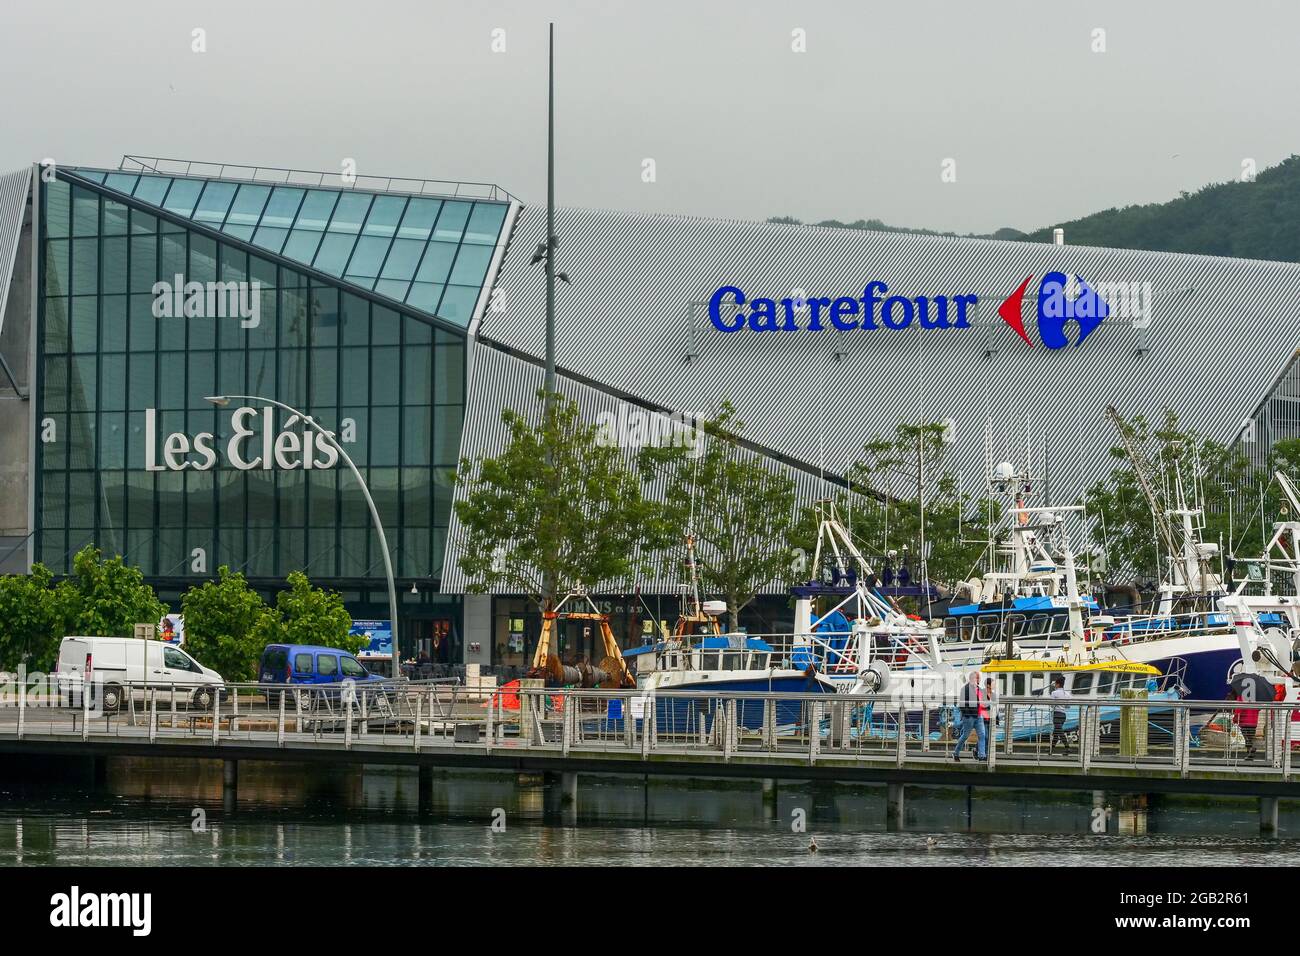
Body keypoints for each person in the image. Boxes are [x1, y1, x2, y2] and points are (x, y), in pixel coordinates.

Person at [953, 671, 986, 761]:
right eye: (977, 678)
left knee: (982, 735)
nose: (979, 679)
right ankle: (956, 753)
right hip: (969, 717)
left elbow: (981, 702)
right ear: (972, 678)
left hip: (979, 716)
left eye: (979, 678)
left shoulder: (979, 689)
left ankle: (982, 755)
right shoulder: (965, 689)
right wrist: (967, 715)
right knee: (965, 736)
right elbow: (962, 704)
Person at [1233, 691, 1261, 760]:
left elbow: (1239, 708)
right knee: (1250, 737)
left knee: (1247, 738)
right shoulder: (1256, 695)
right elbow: (1259, 708)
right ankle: (1250, 754)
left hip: (1244, 720)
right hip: (1253, 720)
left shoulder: (1242, 694)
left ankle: (1250, 750)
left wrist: (1235, 718)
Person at [1049, 676, 1070, 755]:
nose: (1055, 685)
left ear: (1057, 684)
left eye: (1055, 684)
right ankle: (1051, 749)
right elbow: (1068, 706)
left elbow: (1051, 705)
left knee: (1059, 731)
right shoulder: (1067, 694)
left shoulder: (1054, 693)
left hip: (1056, 714)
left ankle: (1067, 747)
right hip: (1063, 715)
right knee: (1056, 732)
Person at [982, 676, 998, 746]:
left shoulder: (993, 695)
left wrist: (997, 718)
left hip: (991, 718)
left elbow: (995, 707)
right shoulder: (982, 693)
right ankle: (979, 751)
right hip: (983, 718)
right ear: (988, 685)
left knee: (988, 738)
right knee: (985, 736)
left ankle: (983, 753)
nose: (995, 685)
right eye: (993, 684)